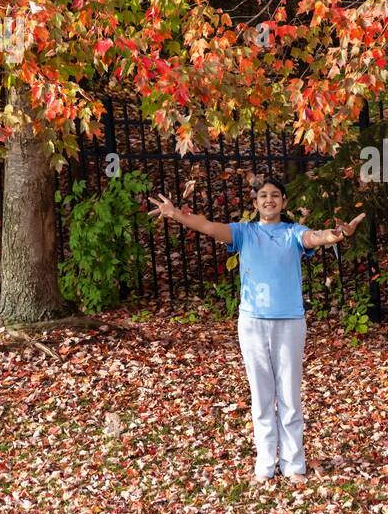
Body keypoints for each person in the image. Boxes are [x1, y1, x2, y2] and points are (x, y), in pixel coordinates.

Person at [148, 177, 365, 484]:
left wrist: (338, 234)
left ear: (284, 202)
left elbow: (316, 238)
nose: (269, 200)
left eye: (275, 195)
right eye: (263, 195)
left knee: (289, 393)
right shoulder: (244, 232)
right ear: (255, 203)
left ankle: (293, 464)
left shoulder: (293, 233)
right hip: (252, 322)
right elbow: (208, 226)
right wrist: (175, 214)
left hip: (289, 321)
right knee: (261, 396)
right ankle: (265, 463)